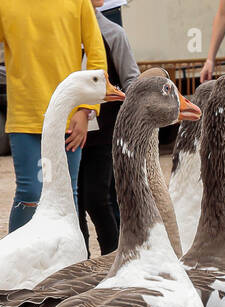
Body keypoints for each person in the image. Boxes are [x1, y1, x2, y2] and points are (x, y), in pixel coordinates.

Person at [0, 0, 107, 232]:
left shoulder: (79, 2)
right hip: (25, 119)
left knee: (67, 195)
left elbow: (97, 56)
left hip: (68, 121)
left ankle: (67, 265)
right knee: (30, 193)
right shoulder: (2, 4)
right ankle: (16, 259)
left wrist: (86, 109)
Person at [79, 0, 139, 255]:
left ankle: (114, 259)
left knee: (98, 197)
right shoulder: (60, 35)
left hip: (106, 132)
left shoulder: (114, 34)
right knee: (74, 202)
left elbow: (131, 80)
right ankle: (79, 261)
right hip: (69, 133)